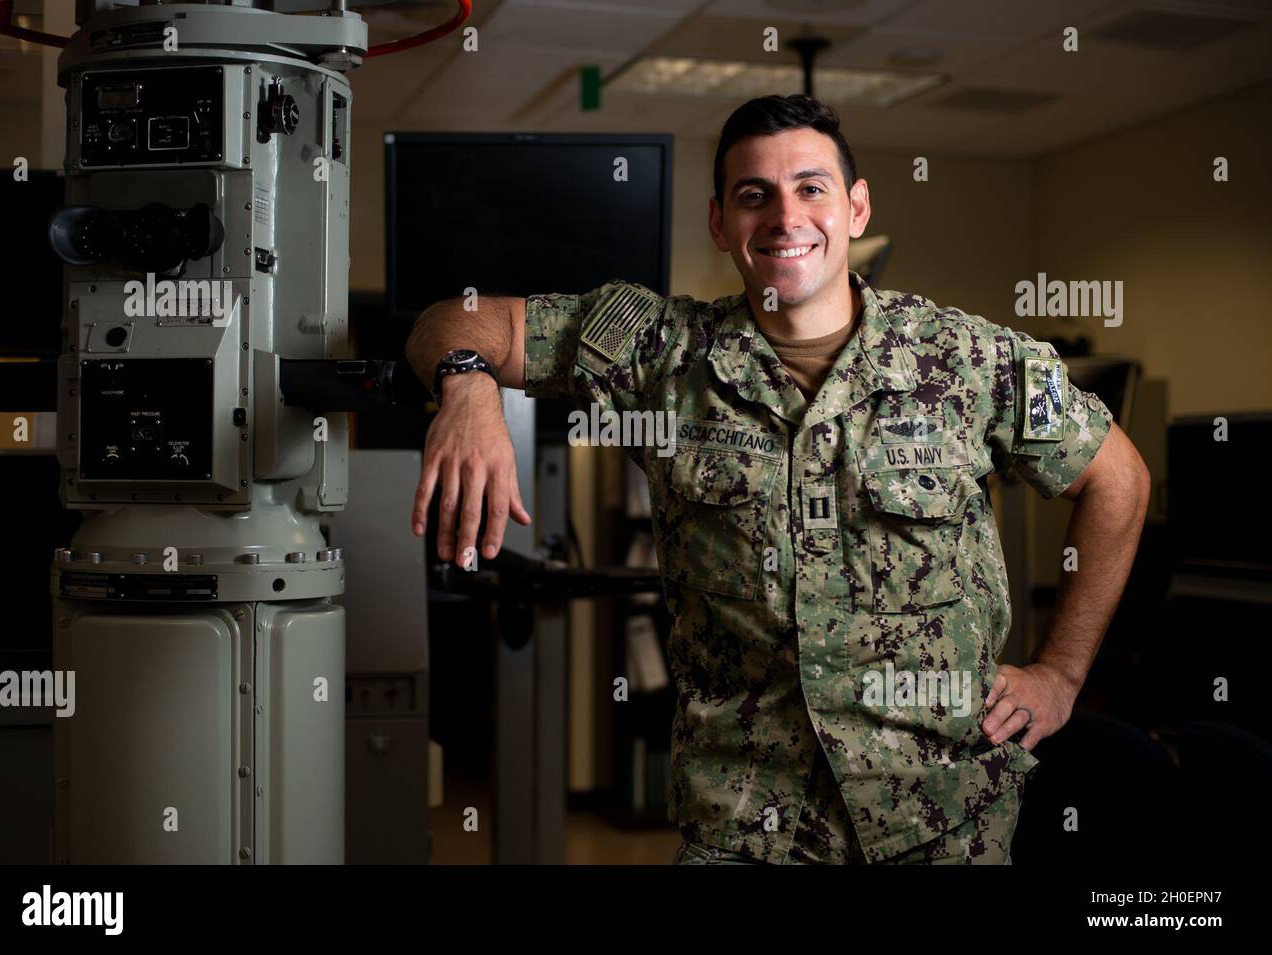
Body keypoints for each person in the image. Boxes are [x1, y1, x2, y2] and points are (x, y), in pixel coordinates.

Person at [405, 94, 1150, 865]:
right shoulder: (661, 355)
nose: (786, 216)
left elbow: (1119, 480)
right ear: (720, 222)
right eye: (754, 195)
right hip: (748, 827)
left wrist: (1061, 674)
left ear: (856, 209)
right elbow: (450, 318)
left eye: (812, 187)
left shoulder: (965, 359)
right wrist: (467, 387)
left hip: (943, 820)